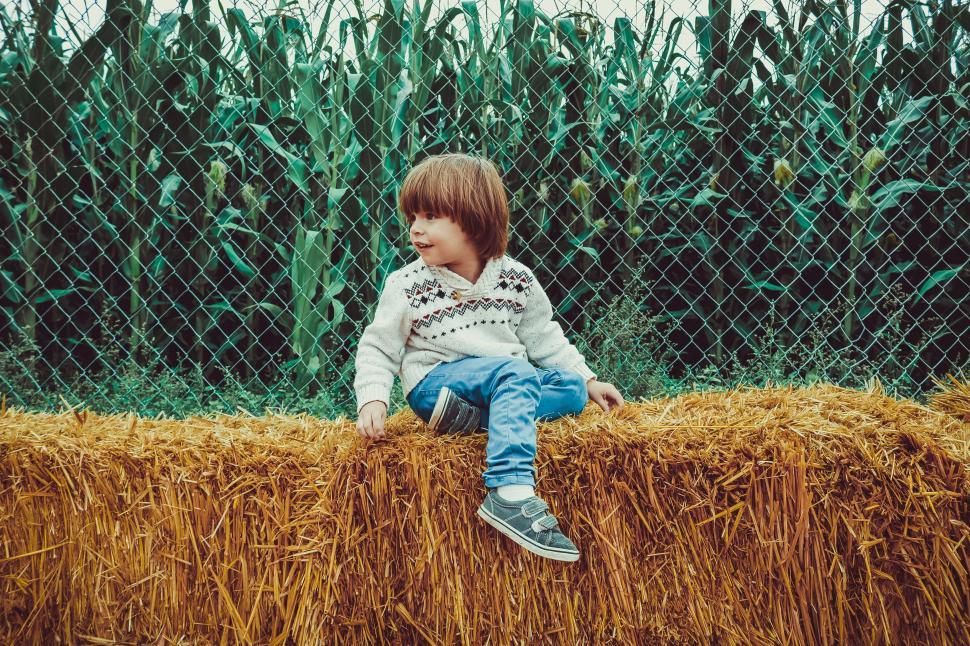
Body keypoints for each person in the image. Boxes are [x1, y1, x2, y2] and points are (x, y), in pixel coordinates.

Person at [353, 153, 625, 562]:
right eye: (412, 217)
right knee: (516, 374)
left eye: (430, 216)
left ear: (474, 219)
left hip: (496, 386)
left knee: (567, 390)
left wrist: (587, 380)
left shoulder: (516, 279)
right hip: (437, 386)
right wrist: (373, 396)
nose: (416, 228)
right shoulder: (407, 284)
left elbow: (544, 336)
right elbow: (379, 346)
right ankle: (510, 492)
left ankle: (482, 421)